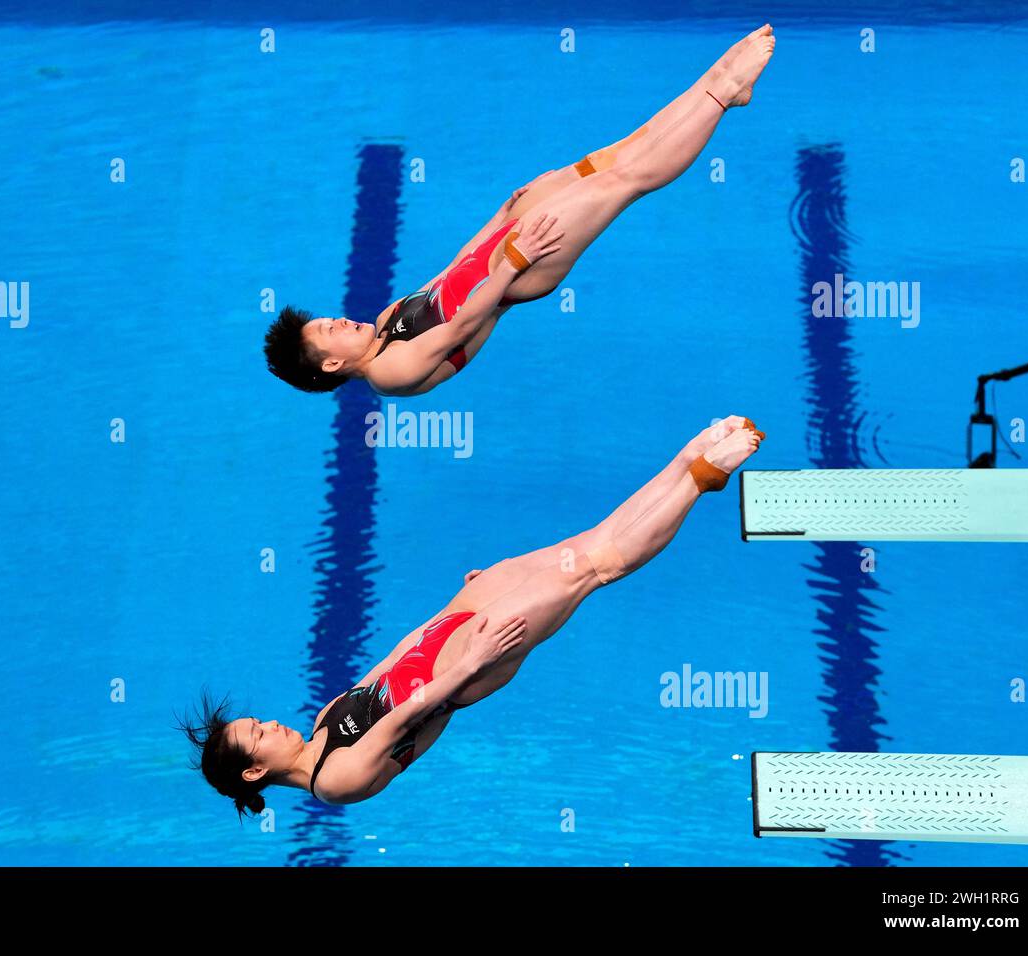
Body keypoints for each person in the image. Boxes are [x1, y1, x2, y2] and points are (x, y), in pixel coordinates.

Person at [185, 417, 765, 813]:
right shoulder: (332, 782)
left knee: (590, 542)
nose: (270, 724)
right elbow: (412, 713)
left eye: (257, 719)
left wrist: (456, 602)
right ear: (255, 772)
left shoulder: (322, 719)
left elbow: (394, 658)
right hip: (466, 665)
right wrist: (475, 658)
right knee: (596, 568)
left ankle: (688, 460)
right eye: (259, 733)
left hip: (453, 628)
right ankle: (700, 479)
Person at [263, 26, 776, 396]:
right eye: (332, 329)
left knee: (605, 162)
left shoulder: (385, 319)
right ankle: (721, 94)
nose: (343, 321)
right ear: (331, 363)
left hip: (501, 245)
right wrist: (514, 257)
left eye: (331, 318)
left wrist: (498, 217)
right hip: (517, 271)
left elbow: (449, 272)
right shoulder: (388, 375)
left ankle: (714, 81)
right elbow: (463, 325)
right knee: (626, 181)